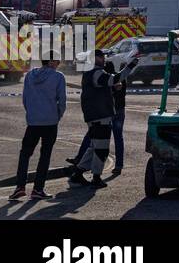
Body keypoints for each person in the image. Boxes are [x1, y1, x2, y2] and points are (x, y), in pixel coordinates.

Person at [10, 58, 67, 201]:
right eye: (57, 62)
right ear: (51, 62)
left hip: (33, 122)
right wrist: (57, 116)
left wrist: (31, 114)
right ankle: (38, 189)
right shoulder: (58, 76)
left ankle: (19, 187)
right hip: (50, 122)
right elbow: (62, 100)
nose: (58, 64)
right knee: (45, 155)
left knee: (25, 154)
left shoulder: (30, 75)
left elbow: (25, 98)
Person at [72, 60, 133, 178]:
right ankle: (107, 170)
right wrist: (130, 66)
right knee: (108, 144)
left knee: (93, 143)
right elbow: (117, 86)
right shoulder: (107, 77)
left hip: (102, 114)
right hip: (110, 113)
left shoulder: (97, 77)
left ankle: (81, 168)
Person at [69, 60, 115, 188]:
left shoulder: (88, 73)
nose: (104, 59)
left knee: (94, 147)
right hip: (100, 116)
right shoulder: (97, 73)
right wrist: (131, 66)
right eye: (102, 57)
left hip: (93, 116)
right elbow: (114, 79)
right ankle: (96, 177)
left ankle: (77, 174)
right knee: (101, 149)